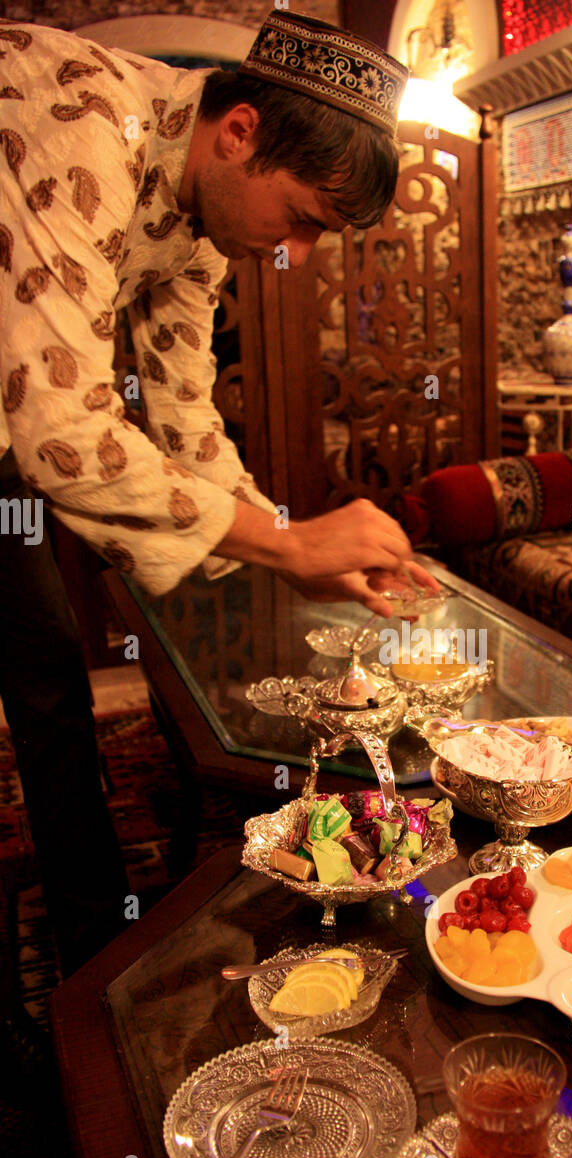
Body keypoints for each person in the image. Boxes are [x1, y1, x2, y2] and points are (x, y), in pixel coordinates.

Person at [0, 11, 433, 1069]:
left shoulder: (204, 208)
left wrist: (297, 539)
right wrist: (289, 547)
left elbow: (189, 427)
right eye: (300, 221)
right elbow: (64, 434)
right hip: (24, 413)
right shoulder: (84, 123)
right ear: (239, 132)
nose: (291, 255)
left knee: (48, 675)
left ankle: (96, 966)